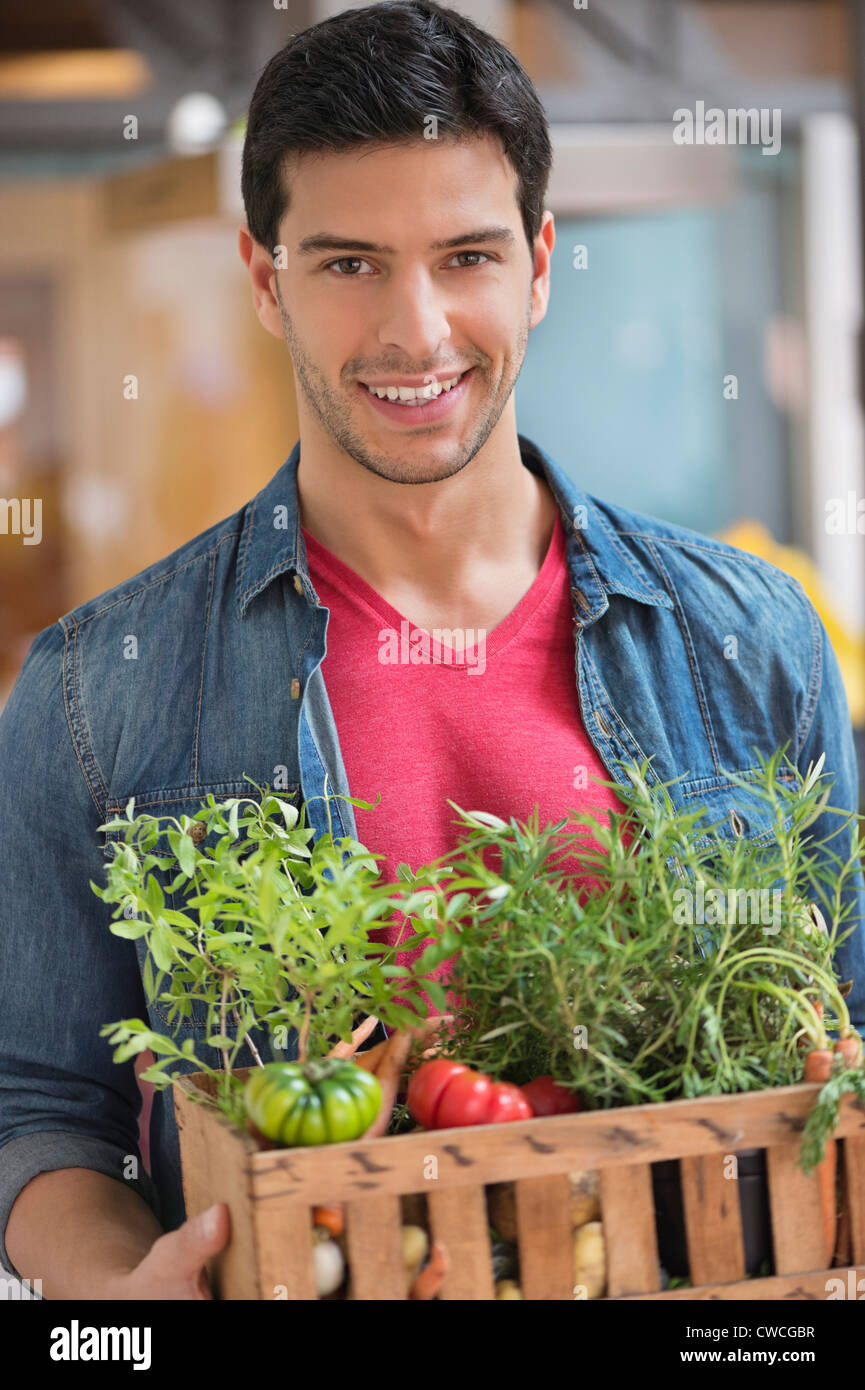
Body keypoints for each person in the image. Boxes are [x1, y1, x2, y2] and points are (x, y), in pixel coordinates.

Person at [2, 0, 863, 1301]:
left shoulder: (750, 637)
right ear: (260, 273)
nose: (414, 329)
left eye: (463, 256)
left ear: (538, 262)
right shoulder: (89, 688)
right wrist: (126, 1297)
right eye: (347, 262)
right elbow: (38, 1110)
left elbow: (845, 1021)